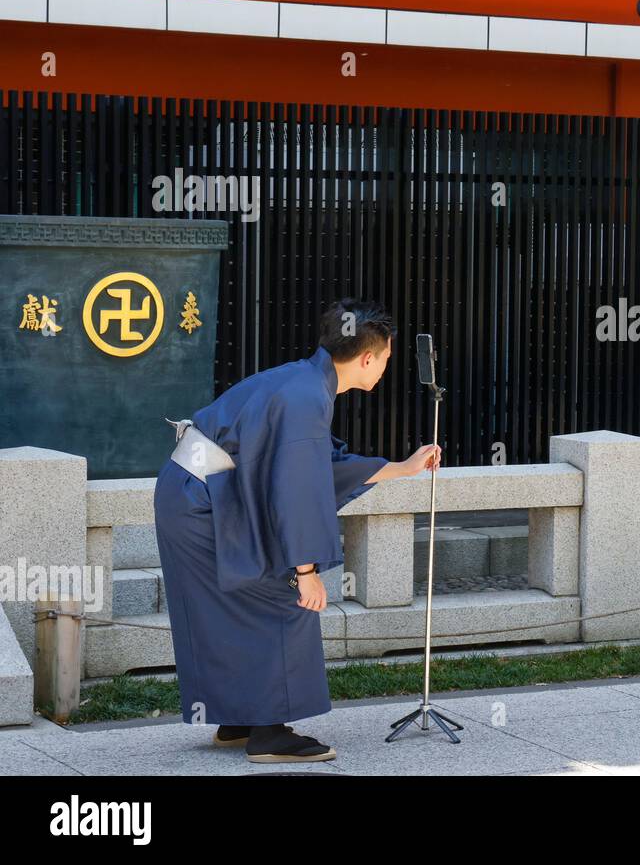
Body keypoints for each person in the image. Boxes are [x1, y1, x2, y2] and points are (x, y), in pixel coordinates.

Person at [152, 299, 441, 763]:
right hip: (206, 499)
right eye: (387, 357)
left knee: (231, 602)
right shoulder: (307, 397)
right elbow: (298, 488)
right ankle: (269, 733)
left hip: (195, 490)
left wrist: (401, 469)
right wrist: (304, 569)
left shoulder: (303, 381)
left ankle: (240, 717)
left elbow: (317, 468)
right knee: (279, 596)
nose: (387, 366)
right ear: (368, 357)